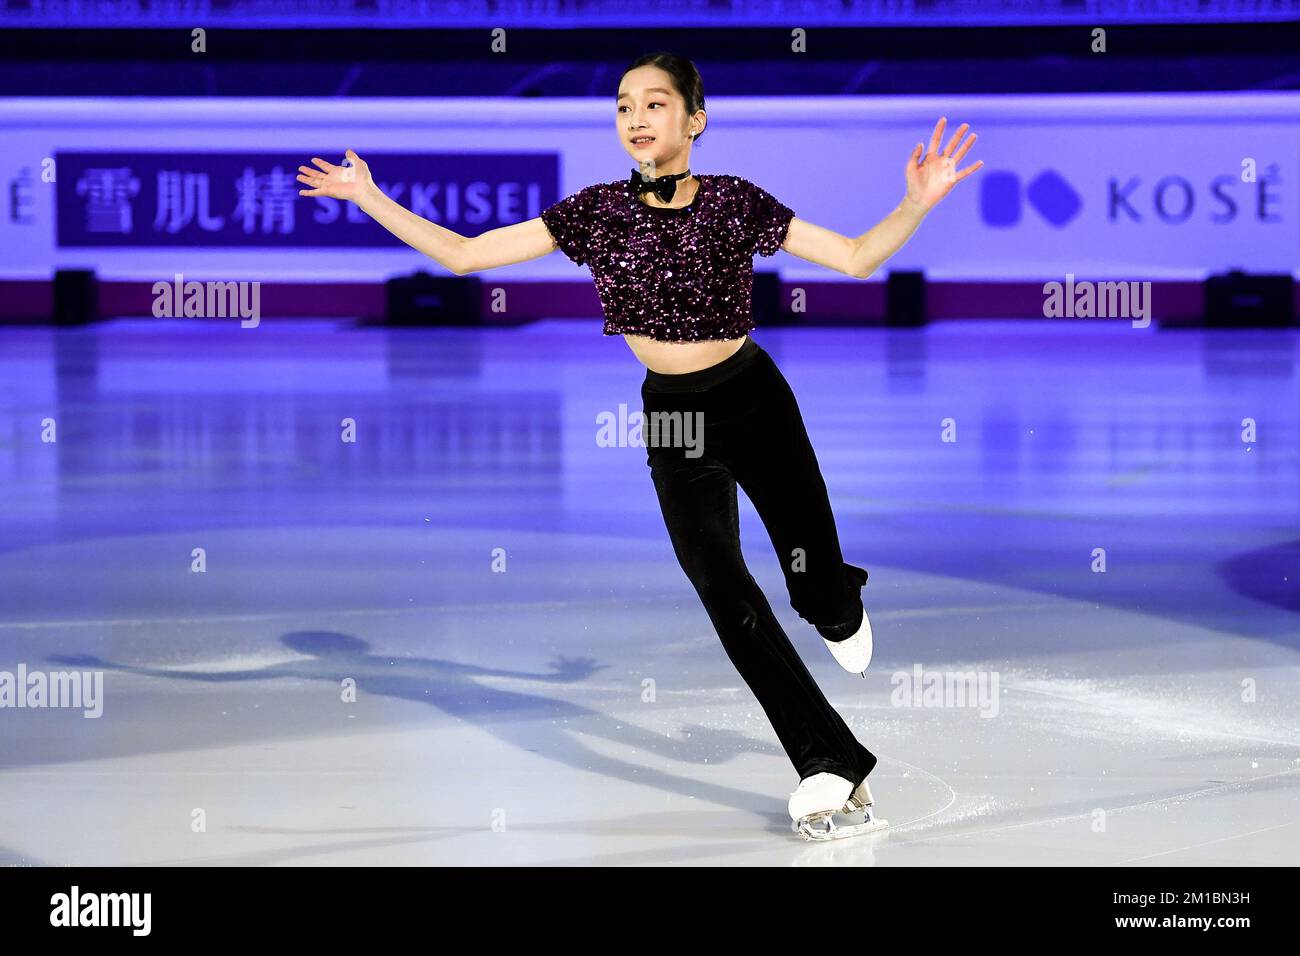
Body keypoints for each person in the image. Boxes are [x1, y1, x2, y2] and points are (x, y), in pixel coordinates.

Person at [296, 51, 981, 839]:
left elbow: (857, 260)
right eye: (624, 106)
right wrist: (368, 195)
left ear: (695, 120)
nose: (636, 118)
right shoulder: (595, 213)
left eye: (655, 103)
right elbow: (464, 254)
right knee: (721, 585)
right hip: (673, 418)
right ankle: (827, 759)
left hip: (755, 402)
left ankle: (836, 603)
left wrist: (914, 203)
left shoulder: (735, 202)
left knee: (814, 586)